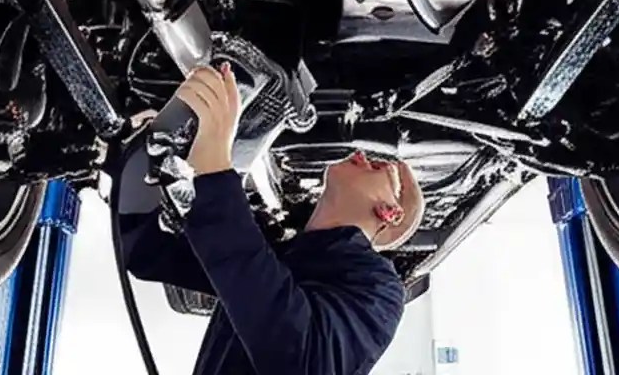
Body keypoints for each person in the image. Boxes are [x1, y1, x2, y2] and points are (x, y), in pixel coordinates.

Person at [113, 63, 424, 375]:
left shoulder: (381, 290)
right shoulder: (284, 260)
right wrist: (143, 152)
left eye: (382, 169)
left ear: (390, 212)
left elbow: (305, 366)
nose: (362, 155)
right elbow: (147, 252)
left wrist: (213, 169)